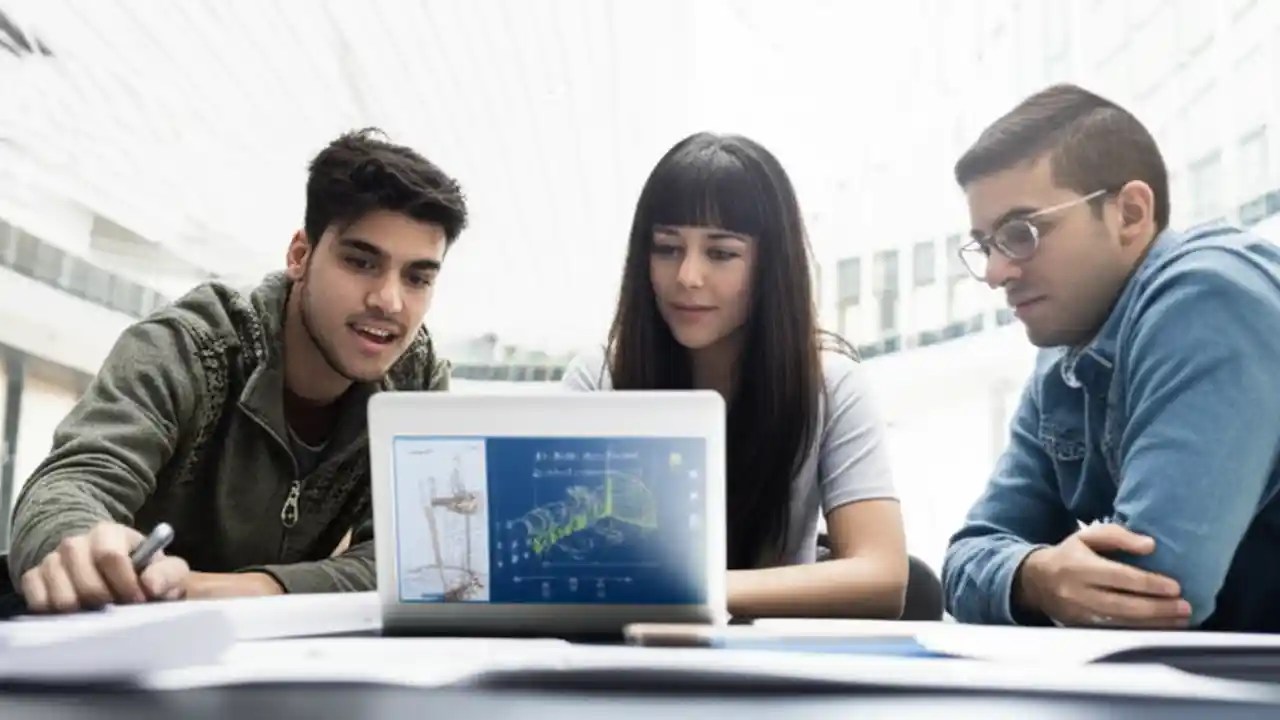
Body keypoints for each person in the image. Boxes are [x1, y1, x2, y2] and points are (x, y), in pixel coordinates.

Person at [9, 128, 468, 613]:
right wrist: (75, 547)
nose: (390, 301)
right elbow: (70, 486)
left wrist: (216, 590)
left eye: (417, 278)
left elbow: (415, 561)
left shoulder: (414, 382)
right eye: (360, 262)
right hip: (129, 648)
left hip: (282, 665)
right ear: (300, 255)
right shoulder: (187, 347)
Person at [943, 83, 1280, 632]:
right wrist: (1034, 574)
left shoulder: (1213, 299)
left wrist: (1037, 576)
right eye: (985, 244)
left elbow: (1156, 590)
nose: (994, 272)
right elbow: (964, 559)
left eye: (1021, 233)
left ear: (1129, 213)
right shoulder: (1064, 354)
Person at [562, 132, 908, 619]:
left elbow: (882, 576)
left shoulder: (831, 384)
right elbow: (559, 567)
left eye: (721, 253)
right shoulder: (599, 378)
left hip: (776, 669)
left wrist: (687, 589)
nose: (687, 276)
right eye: (666, 248)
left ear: (771, 265)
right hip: (626, 661)